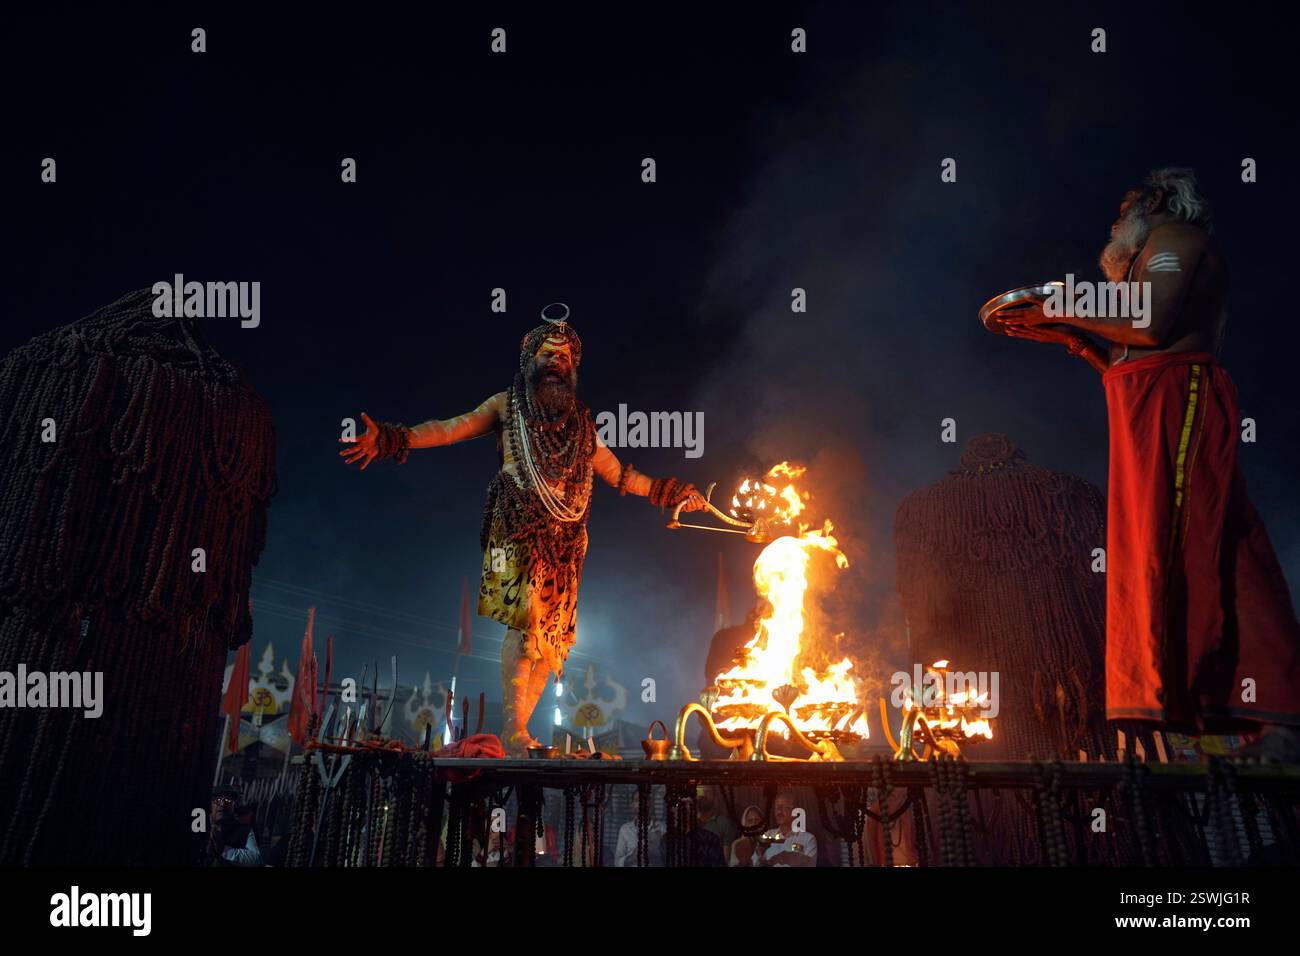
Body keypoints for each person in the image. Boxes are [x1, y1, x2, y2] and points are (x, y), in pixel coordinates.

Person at [1005, 168, 1300, 759]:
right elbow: (1125, 350)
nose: (1116, 221)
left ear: (1157, 201)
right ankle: (1269, 715)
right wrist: (1062, 330)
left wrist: (1062, 303)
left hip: (1177, 398)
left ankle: (1221, 707)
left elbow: (1151, 325)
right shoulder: (1148, 257)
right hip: (1143, 404)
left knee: (1183, 542)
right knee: (1223, 543)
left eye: (1124, 206)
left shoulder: (1175, 237)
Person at [341, 308, 708, 754]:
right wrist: (393, 439)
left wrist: (673, 494)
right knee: (526, 623)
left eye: (566, 356)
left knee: (550, 642)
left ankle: (522, 734)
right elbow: (450, 429)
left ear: (574, 368)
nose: (557, 361)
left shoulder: (581, 427)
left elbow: (622, 476)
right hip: (514, 526)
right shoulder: (505, 405)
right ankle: (515, 732)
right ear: (530, 360)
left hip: (566, 542)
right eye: (548, 353)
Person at [205, 787, 263, 866]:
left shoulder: (244, 830)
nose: (222, 804)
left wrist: (224, 850)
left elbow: (256, 859)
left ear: (233, 806)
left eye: (228, 801)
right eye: (217, 800)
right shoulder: (200, 824)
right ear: (210, 804)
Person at [615, 801, 666, 866]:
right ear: (632, 806)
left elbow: (669, 858)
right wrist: (632, 857)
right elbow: (617, 862)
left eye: (645, 799)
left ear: (650, 804)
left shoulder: (662, 828)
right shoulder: (625, 829)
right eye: (637, 800)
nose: (641, 802)